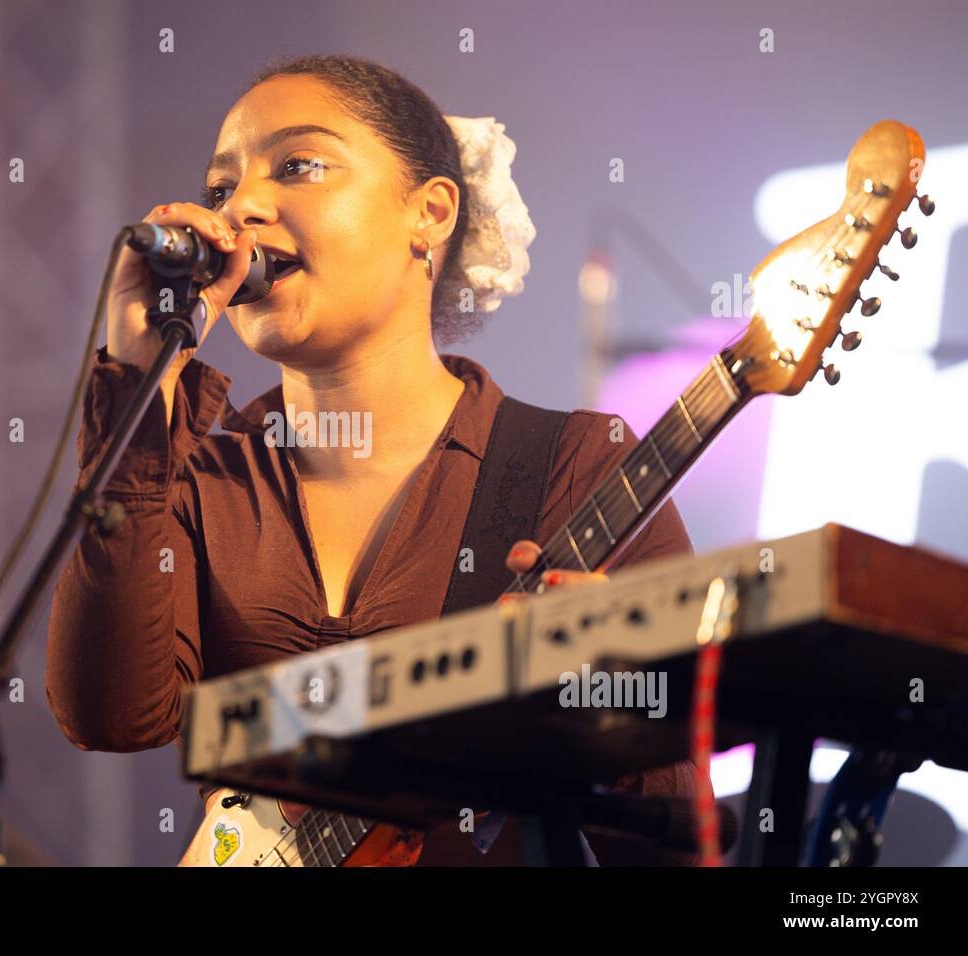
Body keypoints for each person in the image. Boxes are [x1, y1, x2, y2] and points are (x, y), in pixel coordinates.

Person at [46, 53, 707, 866]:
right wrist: (137, 391)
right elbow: (109, 717)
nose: (241, 207)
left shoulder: (576, 466)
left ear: (429, 213)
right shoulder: (197, 481)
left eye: (298, 165)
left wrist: (614, 699)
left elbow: (679, 839)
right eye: (221, 188)